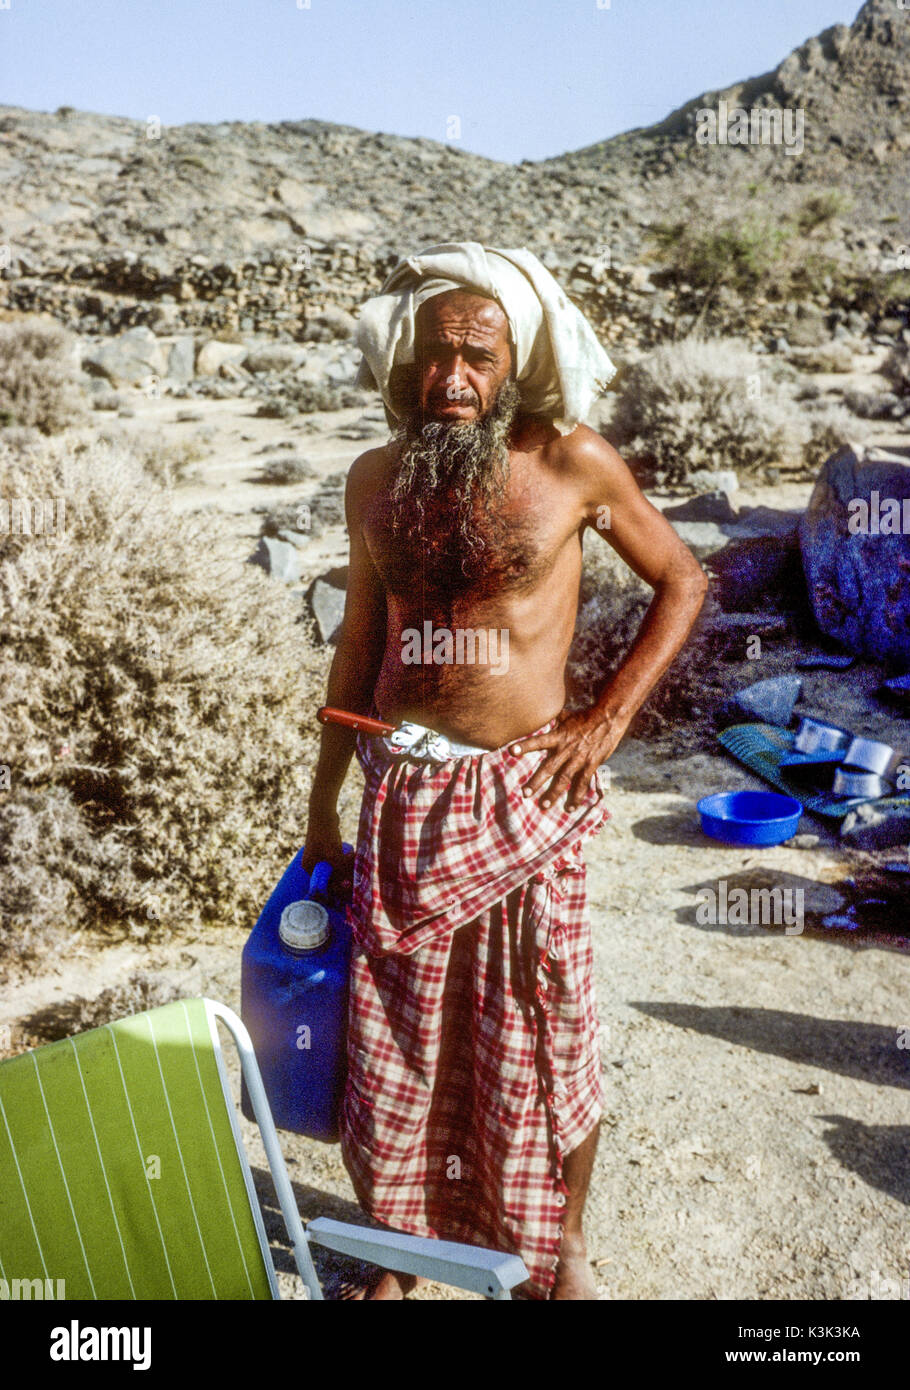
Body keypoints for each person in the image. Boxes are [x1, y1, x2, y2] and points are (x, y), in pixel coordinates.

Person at [303, 242, 708, 1299]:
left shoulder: (572, 464)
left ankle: (560, 1256)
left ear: (513, 365)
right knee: (393, 1040)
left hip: (529, 792)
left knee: (549, 1026)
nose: (452, 378)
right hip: (406, 797)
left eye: (477, 357)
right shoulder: (376, 481)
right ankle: (397, 1257)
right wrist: (320, 807)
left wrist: (608, 719)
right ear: (406, 364)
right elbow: (358, 646)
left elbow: (681, 578)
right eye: (435, 355)